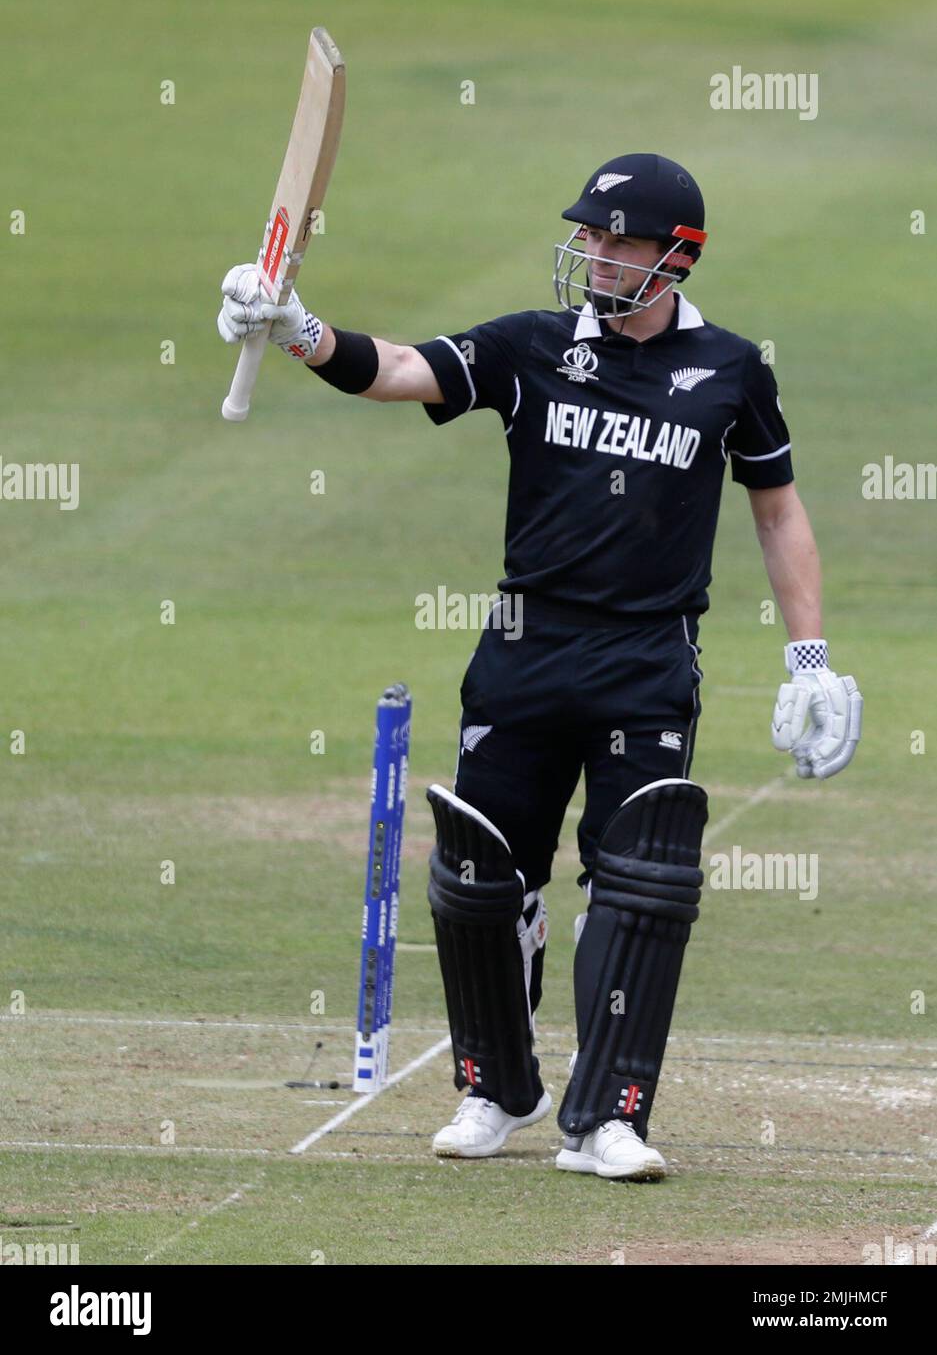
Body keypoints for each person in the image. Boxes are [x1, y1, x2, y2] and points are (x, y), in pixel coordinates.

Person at [218, 152, 863, 1181]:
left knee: (642, 880)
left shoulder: (732, 371)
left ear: (676, 256)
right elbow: (397, 369)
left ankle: (608, 1116)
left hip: (648, 660)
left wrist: (811, 659)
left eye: (617, 240)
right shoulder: (530, 346)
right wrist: (298, 327)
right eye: (589, 237)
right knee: (477, 874)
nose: (595, 255)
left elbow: (777, 507)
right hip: (524, 648)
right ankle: (493, 1087)